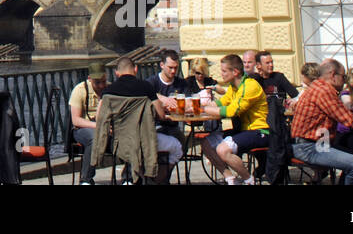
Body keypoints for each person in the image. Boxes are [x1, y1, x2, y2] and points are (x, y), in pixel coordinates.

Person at [97, 56, 183, 182]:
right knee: (176, 147)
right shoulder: (146, 87)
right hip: (145, 142)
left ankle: (136, 178)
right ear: (136, 70)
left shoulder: (108, 92)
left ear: (116, 73)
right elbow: (160, 114)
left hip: (118, 144)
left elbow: (100, 118)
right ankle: (156, 181)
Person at [288, 58, 353, 185]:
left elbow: (345, 115)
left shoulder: (320, 88)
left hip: (317, 144)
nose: (345, 81)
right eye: (344, 76)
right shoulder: (323, 91)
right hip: (309, 147)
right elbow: (349, 121)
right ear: (333, 75)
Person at [199, 53, 270, 184]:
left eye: (224, 71)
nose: (222, 74)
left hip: (260, 131)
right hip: (244, 131)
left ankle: (249, 180)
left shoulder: (250, 86)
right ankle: (230, 178)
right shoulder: (234, 87)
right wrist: (196, 105)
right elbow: (220, 103)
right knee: (206, 144)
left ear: (236, 71)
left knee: (223, 149)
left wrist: (203, 110)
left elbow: (232, 111)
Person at [69, 61, 109, 184]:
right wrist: (97, 126)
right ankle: (85, 178)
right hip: (83, 128)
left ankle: (128, 177)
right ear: (90, 79)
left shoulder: (110, 89)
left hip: (106, 127)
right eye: (97, 82)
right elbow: (76, 120)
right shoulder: (80, 90)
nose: (102, 86)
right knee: (94, 137)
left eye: (103, 81)